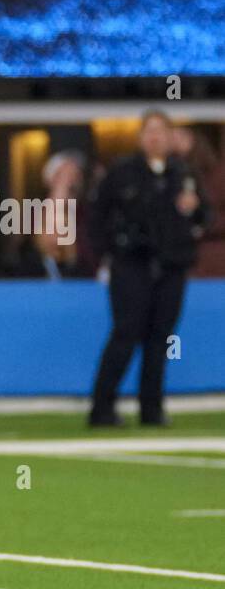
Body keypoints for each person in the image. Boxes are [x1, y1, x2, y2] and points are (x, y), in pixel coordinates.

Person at [88, 110, 206, 427]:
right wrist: (104, 256)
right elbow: (97, 216)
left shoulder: (183, 173)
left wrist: (194, 210)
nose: (154, 137)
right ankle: (102, 408)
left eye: (161, 130)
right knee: (126, 332)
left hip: (171, 267)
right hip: (131, 264)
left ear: (171, 137)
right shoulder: (122, 172)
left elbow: (206, 218)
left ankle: (151, 410)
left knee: (161, 338)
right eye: (148, 131)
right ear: (140, 138)